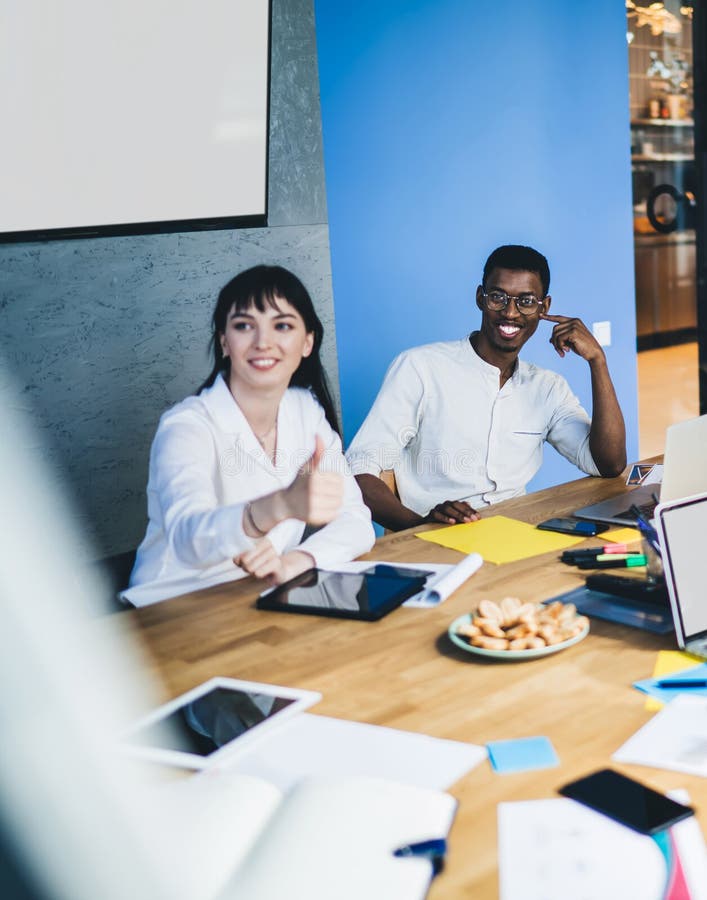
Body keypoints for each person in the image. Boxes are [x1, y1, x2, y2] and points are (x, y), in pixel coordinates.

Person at [124, 265, 374, 607]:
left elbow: (356, 520)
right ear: (225, 342)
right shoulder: (186, 426)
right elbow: (188, 536)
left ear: (307, 342)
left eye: (282, 325)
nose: (263, 342)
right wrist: (277, 507)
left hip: (258, 597)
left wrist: (294, 563)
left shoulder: (306, 410)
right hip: (170, 607)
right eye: (244, 326)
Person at [346, 245, 627, 532]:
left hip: (517, 533)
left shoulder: (547, 388)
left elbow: (608, 464)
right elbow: (359, 470)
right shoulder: (419, 368)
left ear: (544, 308)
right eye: (498, 297)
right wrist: (420, 527)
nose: (510, 312)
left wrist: (597, 361)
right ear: (480, 298)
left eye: (526, 301)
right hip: (438, 540)